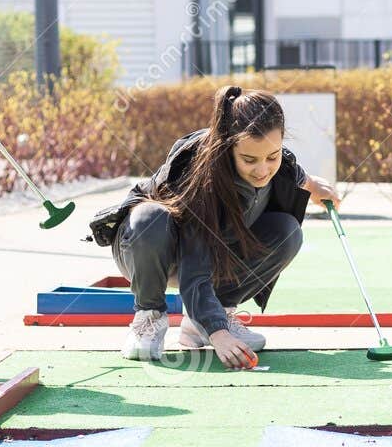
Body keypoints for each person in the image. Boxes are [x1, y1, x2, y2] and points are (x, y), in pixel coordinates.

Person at [87, 87, 339, 368]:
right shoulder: (199, 173)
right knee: (150, 217)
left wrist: (315, 187)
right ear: (227, 145)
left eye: (272, 156)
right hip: (148, 249)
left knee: (287, 230)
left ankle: (208, 317)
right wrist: (217, 334)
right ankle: (149, 317)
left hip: (210, 253)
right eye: (249, 160)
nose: (262, 170)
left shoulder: (279, 161)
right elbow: (196, 261)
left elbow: (294, 173)